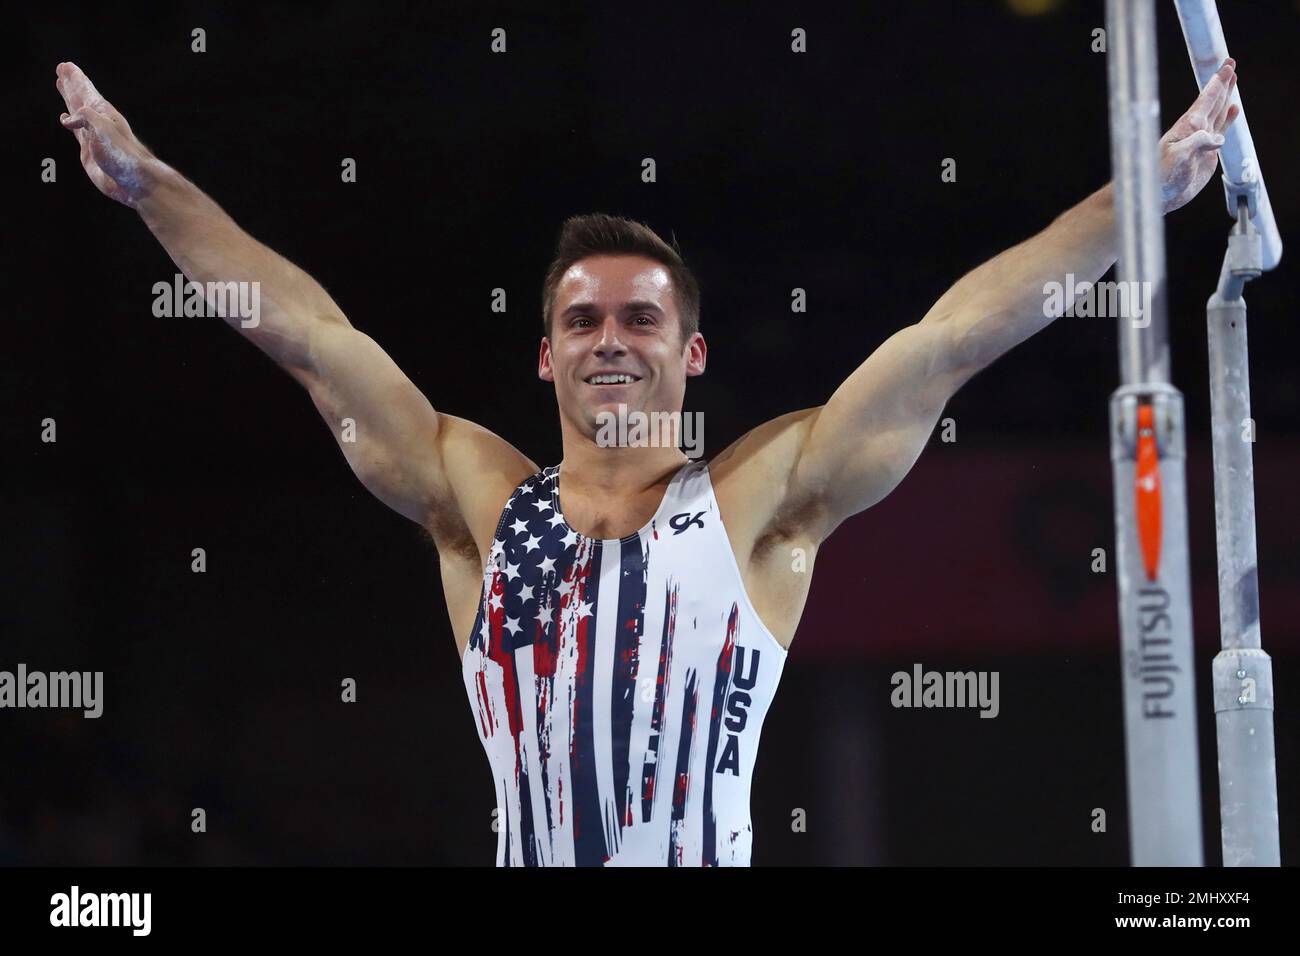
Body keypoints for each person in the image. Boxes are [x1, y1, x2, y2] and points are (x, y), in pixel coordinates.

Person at [54, 57, 1240, 865]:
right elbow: (313, 339)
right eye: (582, 321)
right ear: (545, 356)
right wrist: (152, 188)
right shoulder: (479, 499)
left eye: (638, 319)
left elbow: (953, 338)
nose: (609, 341)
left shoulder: (761, 497)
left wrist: (1135, 201)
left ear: (692, 349)